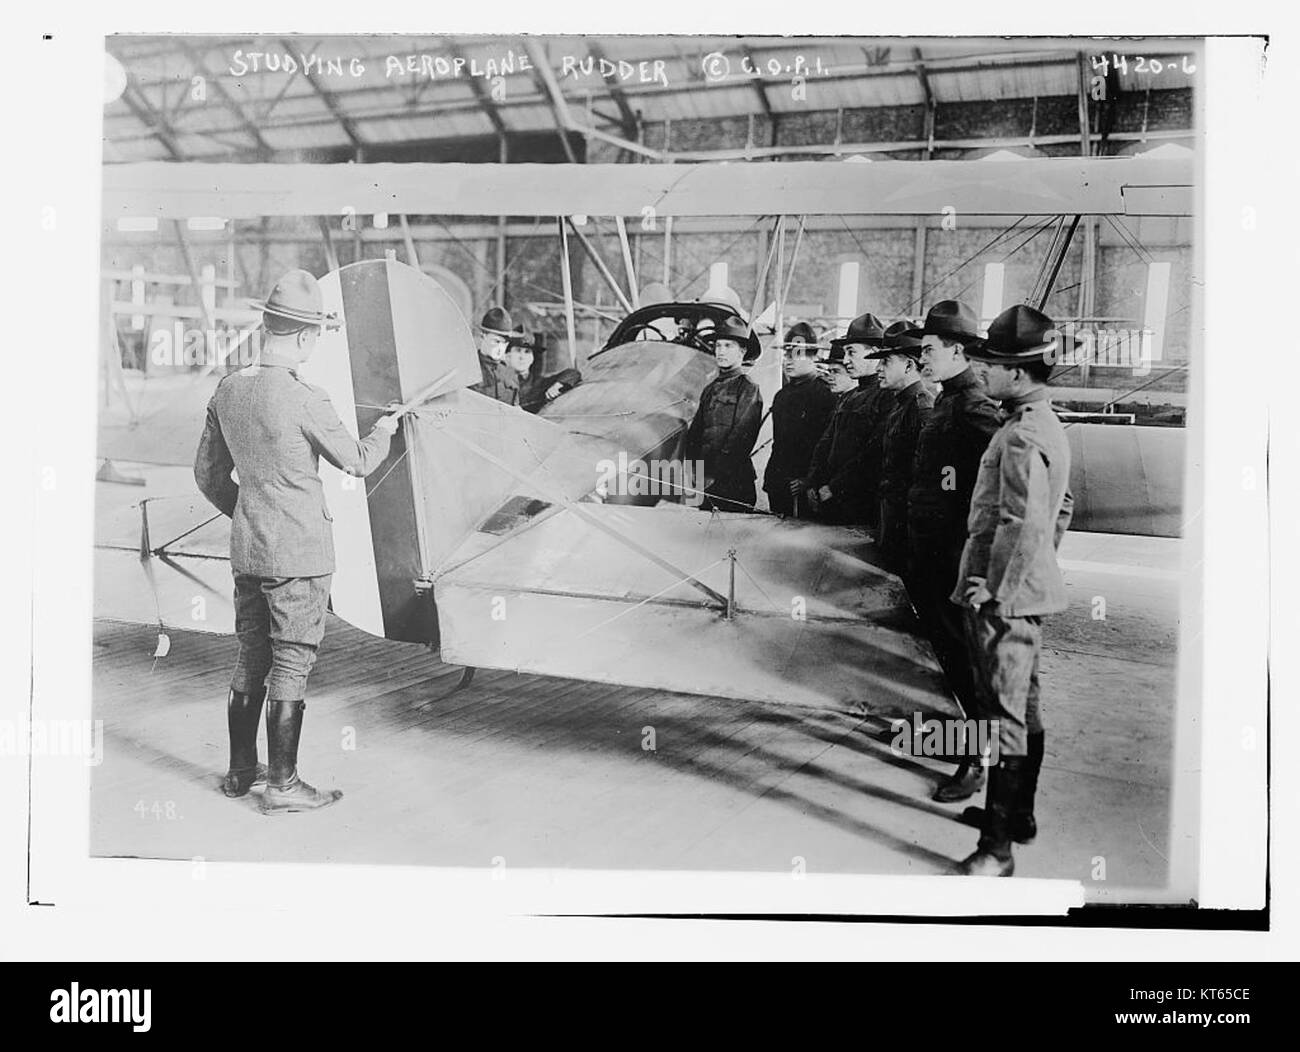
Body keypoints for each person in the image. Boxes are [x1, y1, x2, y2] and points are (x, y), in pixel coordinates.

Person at [194, 269, 403, 815]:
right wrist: (386, 428)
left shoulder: (229, 389)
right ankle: (283, 787)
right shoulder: (306, 397)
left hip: (248, 552)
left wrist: (248, 512)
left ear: (267, 325)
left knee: (251, 655)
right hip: (300, 555)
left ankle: (242, 771)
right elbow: (357, 462)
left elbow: (209, 477)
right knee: (291, 663)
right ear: (307, 338)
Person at [950, 305, 1075, 877]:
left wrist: (996, 589)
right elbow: (1059, 513)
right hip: (1030, 592)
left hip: (1006, 598)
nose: (986, 370)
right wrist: (1037, 570)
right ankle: (1018, 816)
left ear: (1018, 374)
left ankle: (996, 849)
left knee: (1002, 713)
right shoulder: (1042, 422)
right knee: (1024, 704)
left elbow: (1020, 522)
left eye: (994, 364)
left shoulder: (1023, 435)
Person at [908, 299, 1004, 803]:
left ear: (957, 350)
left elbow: (1000, 484)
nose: (922, 358)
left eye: (927, 350)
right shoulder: (947, 398)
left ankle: (979, 760)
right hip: (931, 550)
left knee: (969, 661)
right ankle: (962, 740)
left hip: (953, 554)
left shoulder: (973, 406)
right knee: (948, 655)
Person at [803, 312, 889, 527]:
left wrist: (834, 487)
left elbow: (871, 455)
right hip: (828, 498)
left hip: (858, 503)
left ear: (875, 353)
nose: (846, 360)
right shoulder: (849, 397)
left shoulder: (885, 397)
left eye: (852, 352)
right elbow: (824, 444)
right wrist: (814, 483)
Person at [869, 320, 935, 576]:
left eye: (886, 362)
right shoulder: (900, 406)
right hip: (890, 518)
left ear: (909, 365)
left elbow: (930, 479)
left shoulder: (922, 409)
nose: (878, 368)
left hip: (907, 526)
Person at [683, 315, 764, 512]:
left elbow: (741, 439)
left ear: (742, 352)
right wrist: (695, 471)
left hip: (734, 482)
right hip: (706, 483)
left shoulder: (748, 388)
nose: (721, 351)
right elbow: (695, 434)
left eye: (728, 346)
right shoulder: (710, 389)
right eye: (718, 346)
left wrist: (715, 475)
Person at [763, 323, 836, 518]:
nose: (788, 360)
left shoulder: (824, 394)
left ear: (813, 357)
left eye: (797, 354)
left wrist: (808, 480)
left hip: (805, 487)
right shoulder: (781, 395)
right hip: (778, 482)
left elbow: (826, 446)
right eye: (787, 354)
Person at [507, 327, 582, 413]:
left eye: (527, 352)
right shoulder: (499, 380)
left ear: (532, 358)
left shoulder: (539, 384)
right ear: (508, 355)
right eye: (518, 350)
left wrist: (557, 386)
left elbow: (573, 373)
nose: (522, 357)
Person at [469, 305, 520, 405]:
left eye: (504, 343)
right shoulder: (469, 369)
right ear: (483, 336)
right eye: (496, 341)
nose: (501, 348)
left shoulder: (510, 373)